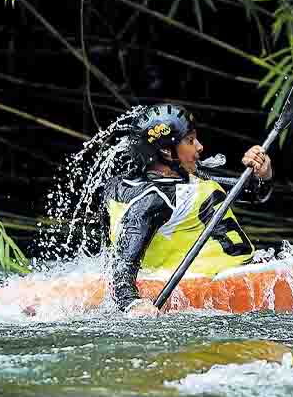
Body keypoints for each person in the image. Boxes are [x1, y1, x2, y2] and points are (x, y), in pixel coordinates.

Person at [102, 103, 273, 316]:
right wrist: (132, 303)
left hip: (244, 272)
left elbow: (254, 193)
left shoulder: (189, 176)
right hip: (202, 287)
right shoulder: (154, 199)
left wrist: (263, 174)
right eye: (190, 141)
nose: (200, 147)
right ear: (166, 150)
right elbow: (122, 264)